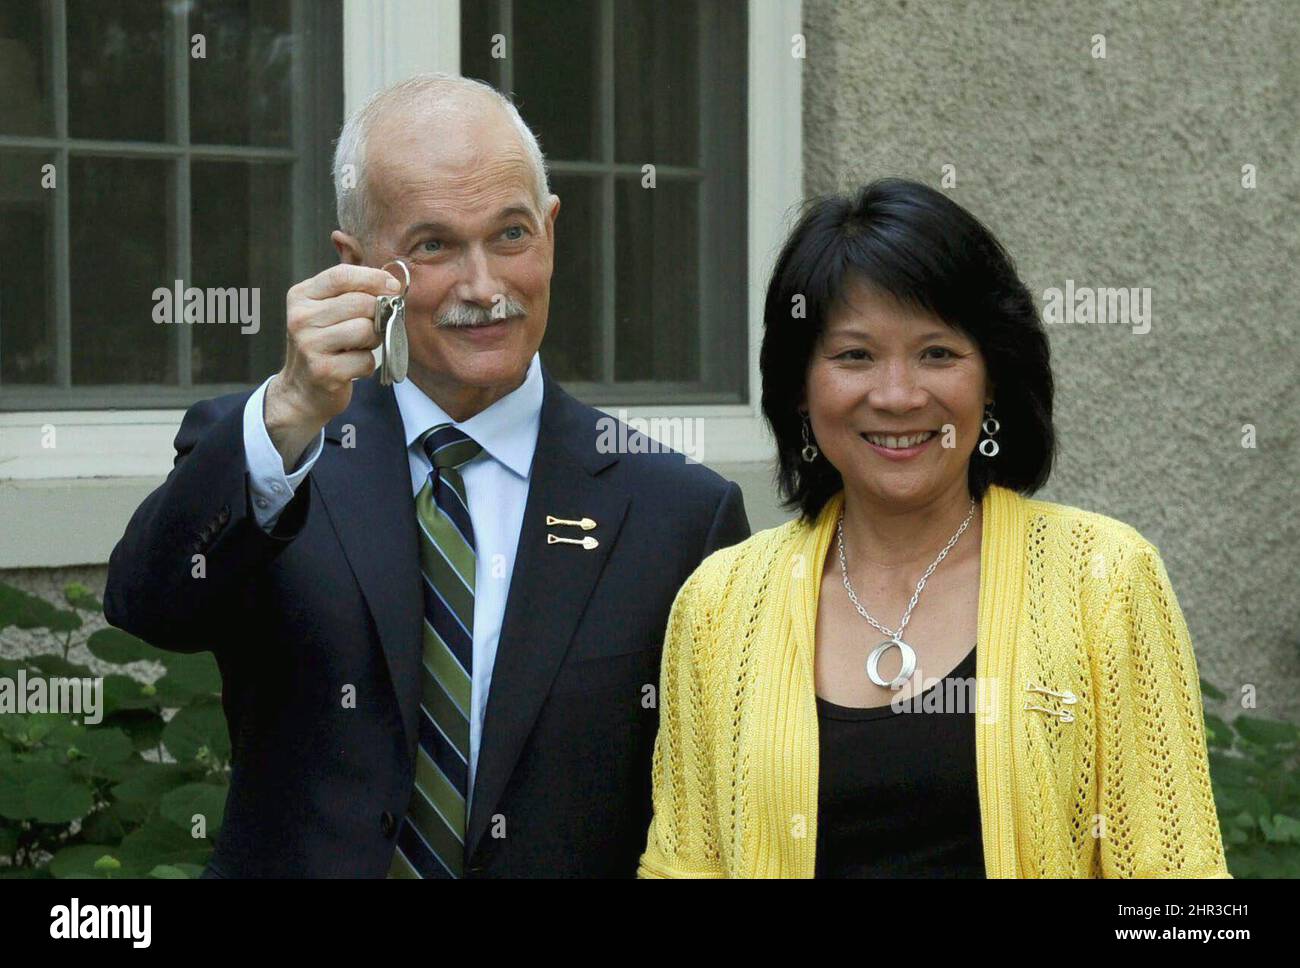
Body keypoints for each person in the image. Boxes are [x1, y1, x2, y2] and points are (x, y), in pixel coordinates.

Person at [104, 73, 749, 878]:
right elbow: (149, 605)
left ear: (550, 231)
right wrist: (289, 414)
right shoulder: (284, 453)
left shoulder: (678, 511)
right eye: (434, 246)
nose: (484, 288)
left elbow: (721, 812)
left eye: (510, 235)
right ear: (358, 265)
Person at [638, 178, 1229, 878]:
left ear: (993, 377)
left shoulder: (1103, 578)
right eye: (854, 355)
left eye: (937, 353)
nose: (897, 395)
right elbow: (683, 870)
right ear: (801, 385)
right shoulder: (719, 605)